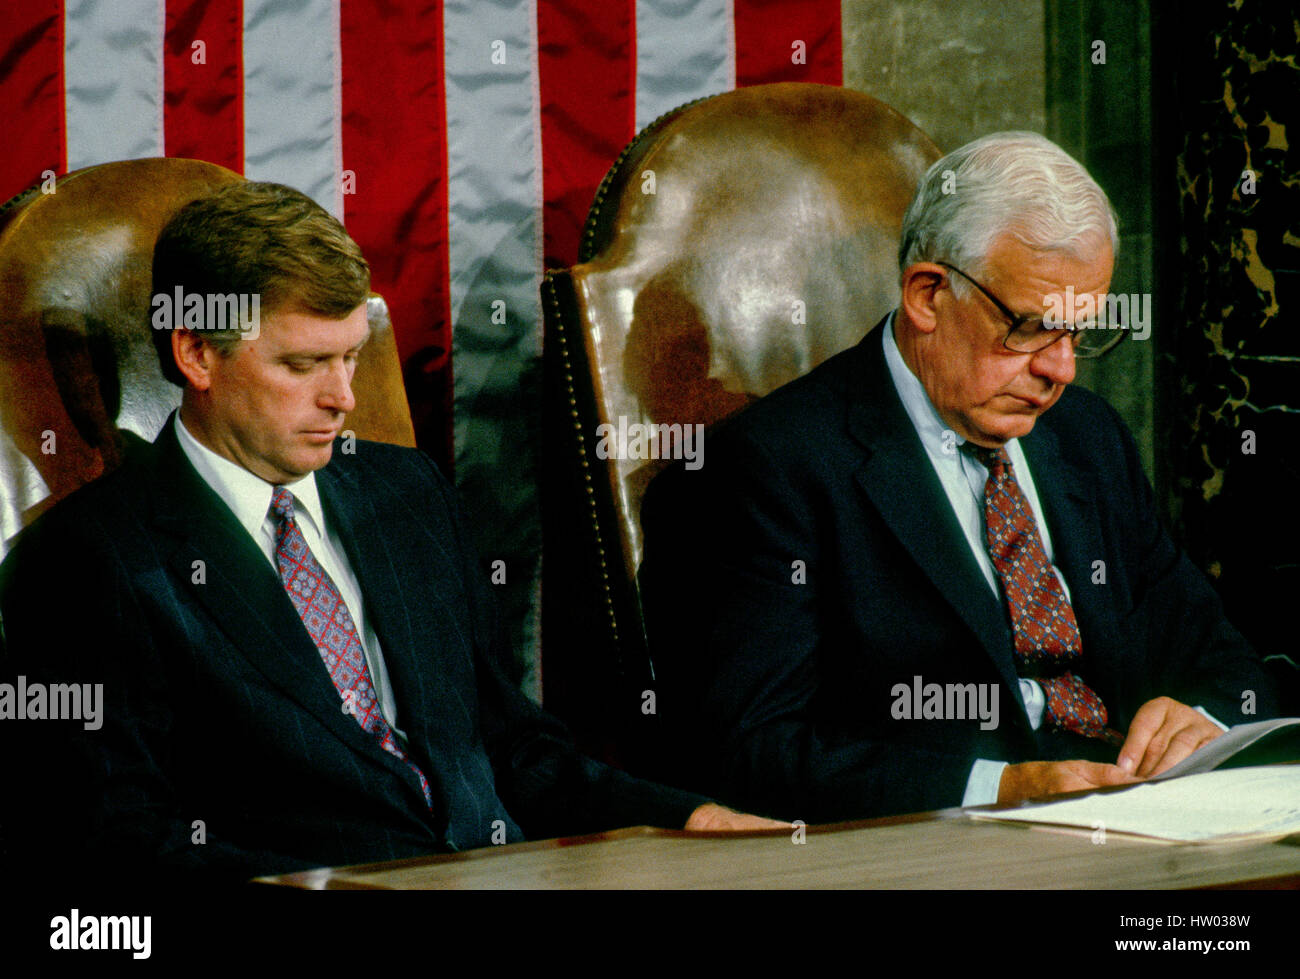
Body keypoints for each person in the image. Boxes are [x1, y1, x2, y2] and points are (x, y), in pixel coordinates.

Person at [0, 181, 777, 882]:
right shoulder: (84, 562)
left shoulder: (408, 492)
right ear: (198, 352)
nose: (343, 397)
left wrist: (684, 815)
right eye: (304, 364)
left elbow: (513, 747)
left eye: (352, 357)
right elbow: (121, 842)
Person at [638, 131, 1279, 823]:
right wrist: (1000, 789)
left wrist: (1204, 720)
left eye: (1080, 332)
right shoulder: (766, 471)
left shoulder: (1088, 438)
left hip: (1146, 830)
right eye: (1032, 328)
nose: (1061, 370)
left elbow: (1229, 664)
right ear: (928, 294)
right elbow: (747, 755)